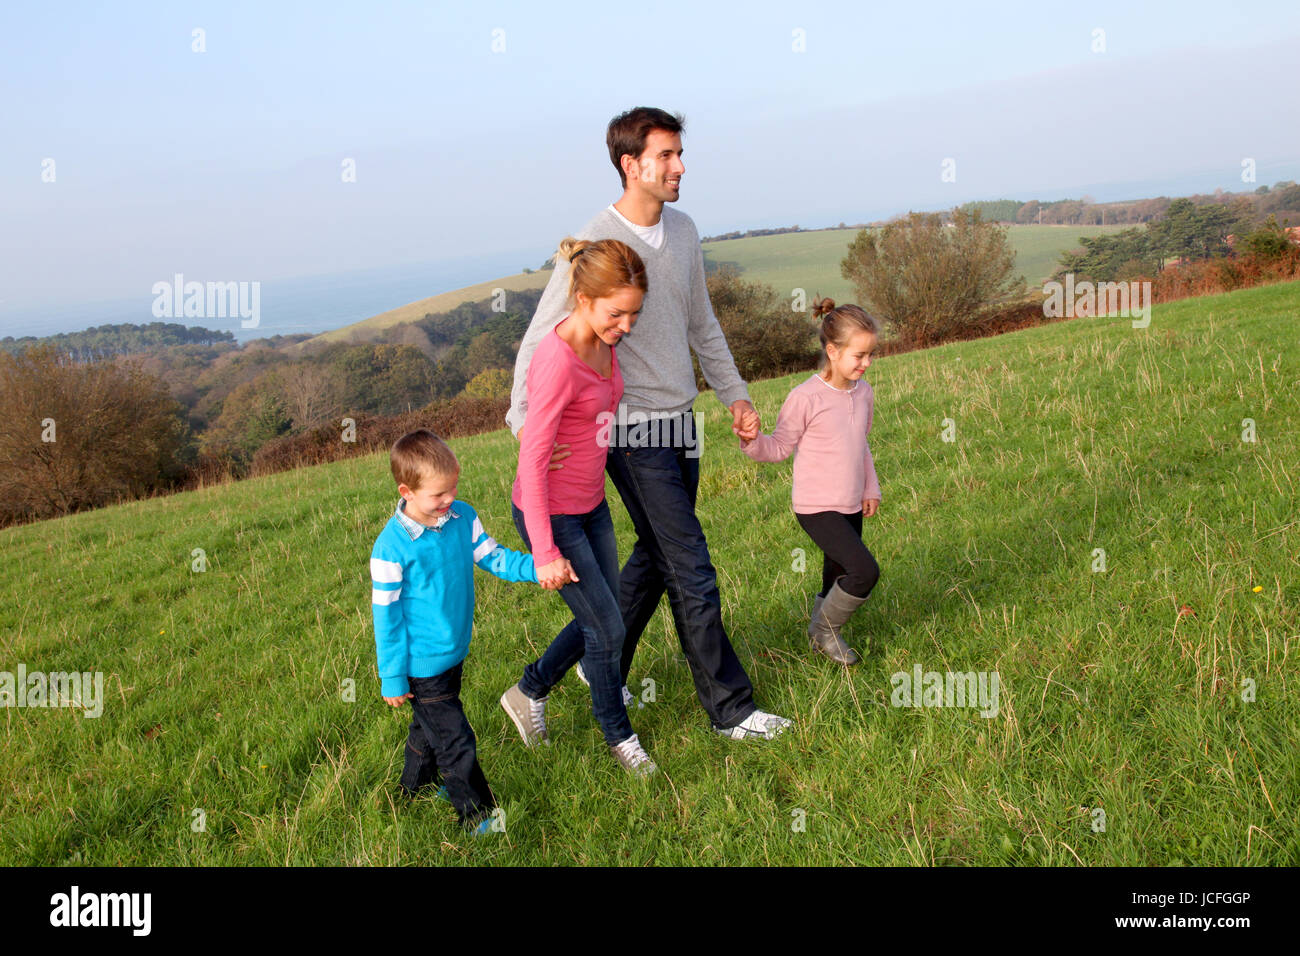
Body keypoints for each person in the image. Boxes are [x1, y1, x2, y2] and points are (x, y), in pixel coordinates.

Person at [506, 106, 790, 740]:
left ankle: (543, 681)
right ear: (630, 164)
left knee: (657, 563)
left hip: (680, 423)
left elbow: (701, 324)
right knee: (691, 567)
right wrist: (527, 426)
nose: (679, 166)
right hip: (630, 431)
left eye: (680, 154)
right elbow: (540, 338)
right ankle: (732, 711)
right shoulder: (597, 244)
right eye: (665, 156)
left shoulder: (684, 231)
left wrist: (734, 395)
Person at [500, 237, 658, 776]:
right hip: (553, 515)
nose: (627, 327)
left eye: (634, 314)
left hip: (591, 504)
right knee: (609, 629)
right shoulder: (556, 361)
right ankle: (620, 737)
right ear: (583, 298)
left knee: (603, 615)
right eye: (618, 314)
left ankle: (530, 689)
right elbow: (531, 462)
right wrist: (543, 551)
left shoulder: (604, 341)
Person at [369, 429, 542, 833]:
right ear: (406, 491)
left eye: (453, 488)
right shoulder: (390, 548)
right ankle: (478, 816)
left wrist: (537, 568)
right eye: (438, 495)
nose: (448, 500)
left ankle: (414, 788)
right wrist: (392, 676)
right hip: (420, 665)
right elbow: (386, 619)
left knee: (428, 729)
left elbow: (494, 557)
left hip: (453, 652)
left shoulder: (462, 517)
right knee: (455, 740)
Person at [739, 298, 883, 665]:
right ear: (832, 351)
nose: (866, 364)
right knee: (863, 571)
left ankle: (820, 636)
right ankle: (826, 631)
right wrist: (752, 441)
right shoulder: (805, 397)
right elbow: (779, 447)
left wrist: (870, 487)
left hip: (851, 500)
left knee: (835, 575)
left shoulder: (863, 392)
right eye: (860, 355)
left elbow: (861, 444)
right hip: (817, 507)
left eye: (870, 355)